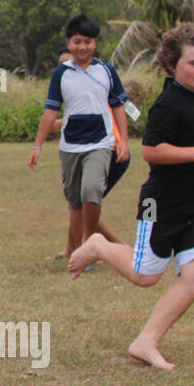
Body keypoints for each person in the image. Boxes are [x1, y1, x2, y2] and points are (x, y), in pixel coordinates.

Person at [68, 24, 194, 370]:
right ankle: (99, 245)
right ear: (173, 66)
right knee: (146, 276)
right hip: (161, 203)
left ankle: (146, 342)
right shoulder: (167, 104)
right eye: (193, 63)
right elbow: (152, 151)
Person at [28, 14, 130, 265]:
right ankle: (77, 250)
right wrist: (37, 145)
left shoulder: (107, 70)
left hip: (101, 143)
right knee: (75, 202)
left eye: (87, 41)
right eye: (77, 42)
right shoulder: (60, 74)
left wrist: (124, 141)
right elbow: (51, 111)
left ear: (95, 43)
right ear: (68, 43)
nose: (82, 47)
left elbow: (118, 107)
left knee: (91, 190)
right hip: (70, 146)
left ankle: (89, 247)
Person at [45, 50, 127, 260]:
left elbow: (114, 110)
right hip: (86, 148)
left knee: (86, 202)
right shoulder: (72, 88)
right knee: (80, 204)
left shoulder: (100, 81)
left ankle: (117, 248)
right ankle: (74, 249)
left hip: (111, 151)